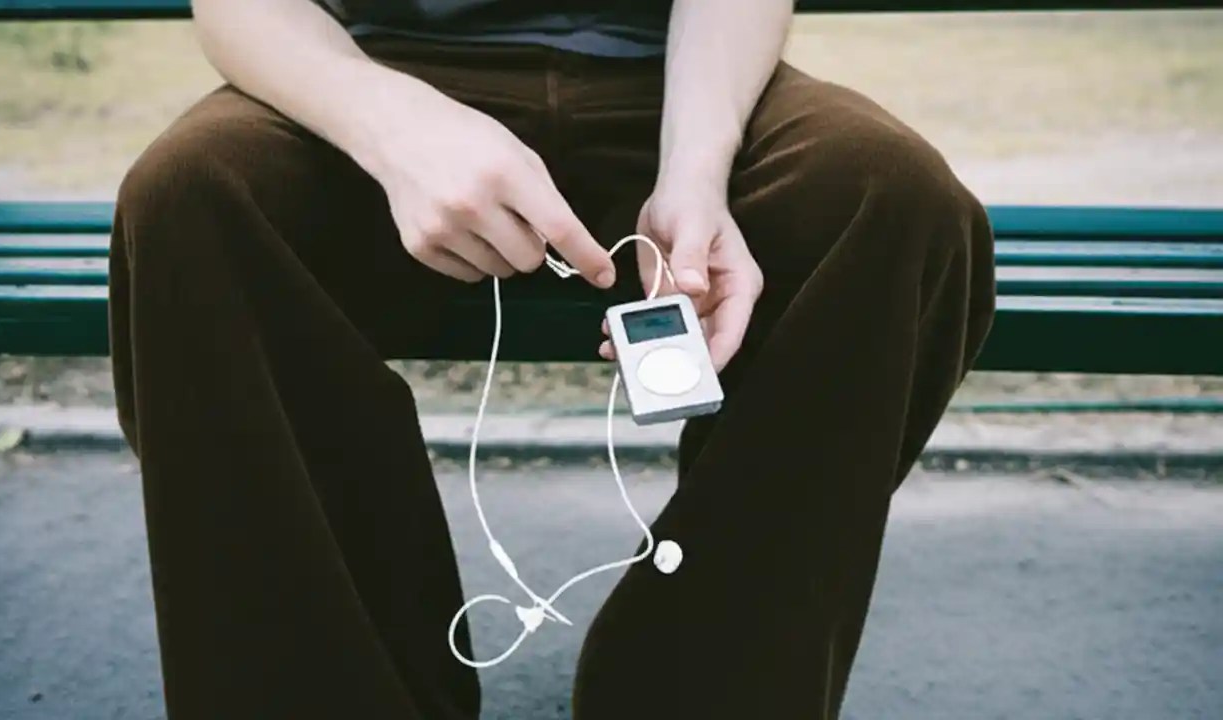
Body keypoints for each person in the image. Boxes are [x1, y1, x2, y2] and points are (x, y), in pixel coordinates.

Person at [108, 0, 996, 717]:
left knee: (891, 195)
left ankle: (704, 693)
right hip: (372, 80)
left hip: (683, 85)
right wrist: (395, 127)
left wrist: (697, 168)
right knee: (190, 197)